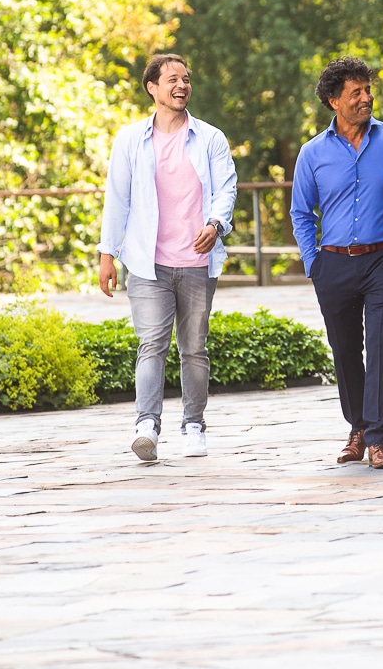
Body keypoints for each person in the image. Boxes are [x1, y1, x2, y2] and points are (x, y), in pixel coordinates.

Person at [291, 57, 383, 471]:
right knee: (346, 349)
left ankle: (379, 438)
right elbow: (301, 213)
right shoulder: (311, 153)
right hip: (333, 265)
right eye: (357, 92)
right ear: (334, 101)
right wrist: (313, 263)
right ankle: (358, 428)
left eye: (368, 90)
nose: (367, 98)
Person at [99, 53, 238, 462]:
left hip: (197, 262)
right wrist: (107, 253)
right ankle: (147, 426)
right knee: (151, 345)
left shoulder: (210, 138)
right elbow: (117, 198)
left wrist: (215, 224)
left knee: (194, 348)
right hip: (146, 263)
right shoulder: (129, 140)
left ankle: (194, 425)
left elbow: (226, 188)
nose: (182, 85)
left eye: (186, 79)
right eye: (173, 79)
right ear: (153, 88)